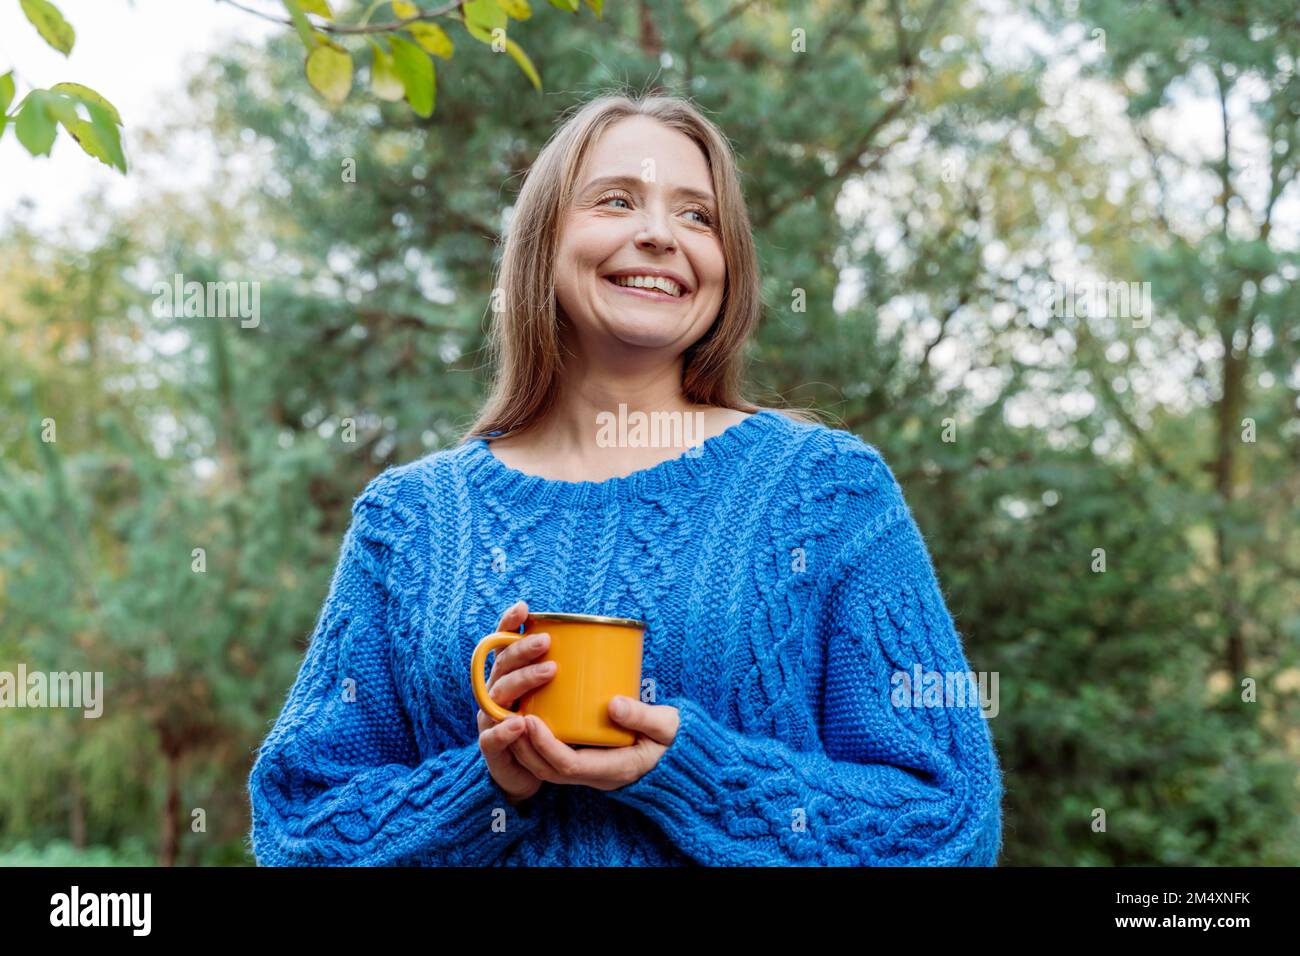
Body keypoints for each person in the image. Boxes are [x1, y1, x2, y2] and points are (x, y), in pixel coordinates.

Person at [246, 92, 1004, 866]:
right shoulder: (408, 519)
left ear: (727, 266)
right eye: (616, 201)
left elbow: (951, 819)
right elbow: (296, 824)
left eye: (697, 217)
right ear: (543, 240)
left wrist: (691, 775)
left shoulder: (828, 492)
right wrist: (486, 786)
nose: (658, 235)